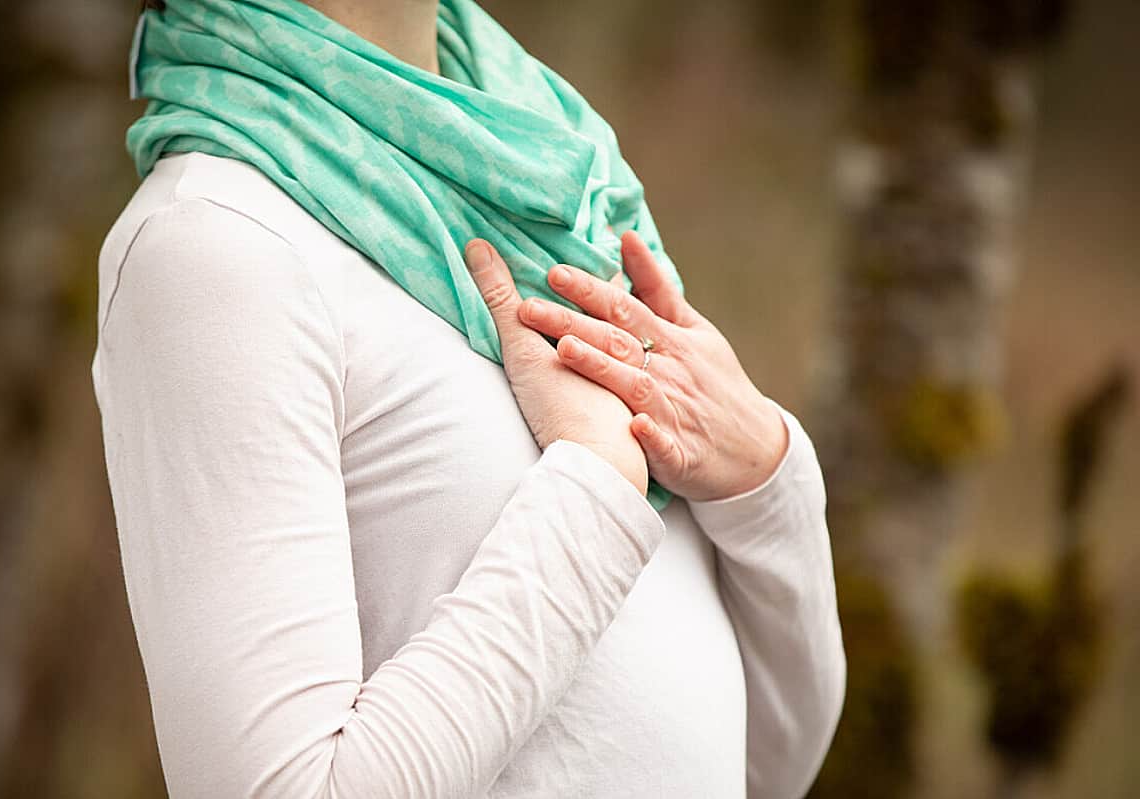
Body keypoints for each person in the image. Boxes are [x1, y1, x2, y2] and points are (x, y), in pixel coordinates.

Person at [92, 0, 846, 796]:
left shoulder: (559, 177)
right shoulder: (215, 247)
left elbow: (766, 764)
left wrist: (766, 475)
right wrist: (592, 491)